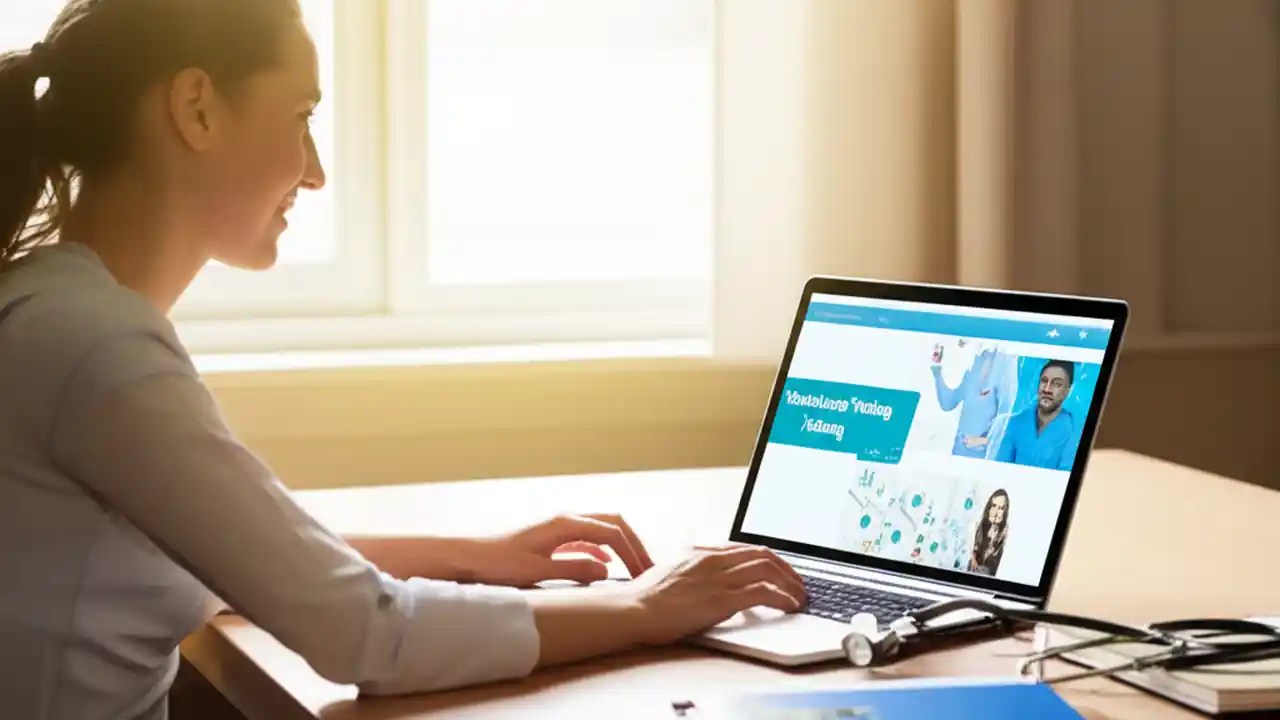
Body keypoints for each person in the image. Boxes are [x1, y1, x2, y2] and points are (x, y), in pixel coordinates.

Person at [0, 2, 806, 716]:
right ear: (197, 108)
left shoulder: (58, 313)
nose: (314, 172)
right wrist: (643, 607)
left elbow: (241, 555)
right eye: (302, 116)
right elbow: (366, 635)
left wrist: (474, 556)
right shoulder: (97, 350)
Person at [930, 343, 1011, 458]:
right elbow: (947, 403)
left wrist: (981, 441)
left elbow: (1006, 433)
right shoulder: (971, 375)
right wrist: (937, 370)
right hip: (958, 452)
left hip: (981, 458)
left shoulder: (1003, 381)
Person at [995, 360, 1080, 470]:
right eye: (1044, 381)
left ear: (1068, 390)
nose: (1047, 389)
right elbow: (1000, 468)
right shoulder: (1015, 422)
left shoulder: (1073, 432)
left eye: (1057, 384)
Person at [967, 489, 1009, 576]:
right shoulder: (980, 526)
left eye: (1001, 508)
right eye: (994, 506)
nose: (996, 512)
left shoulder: (1004, 533)